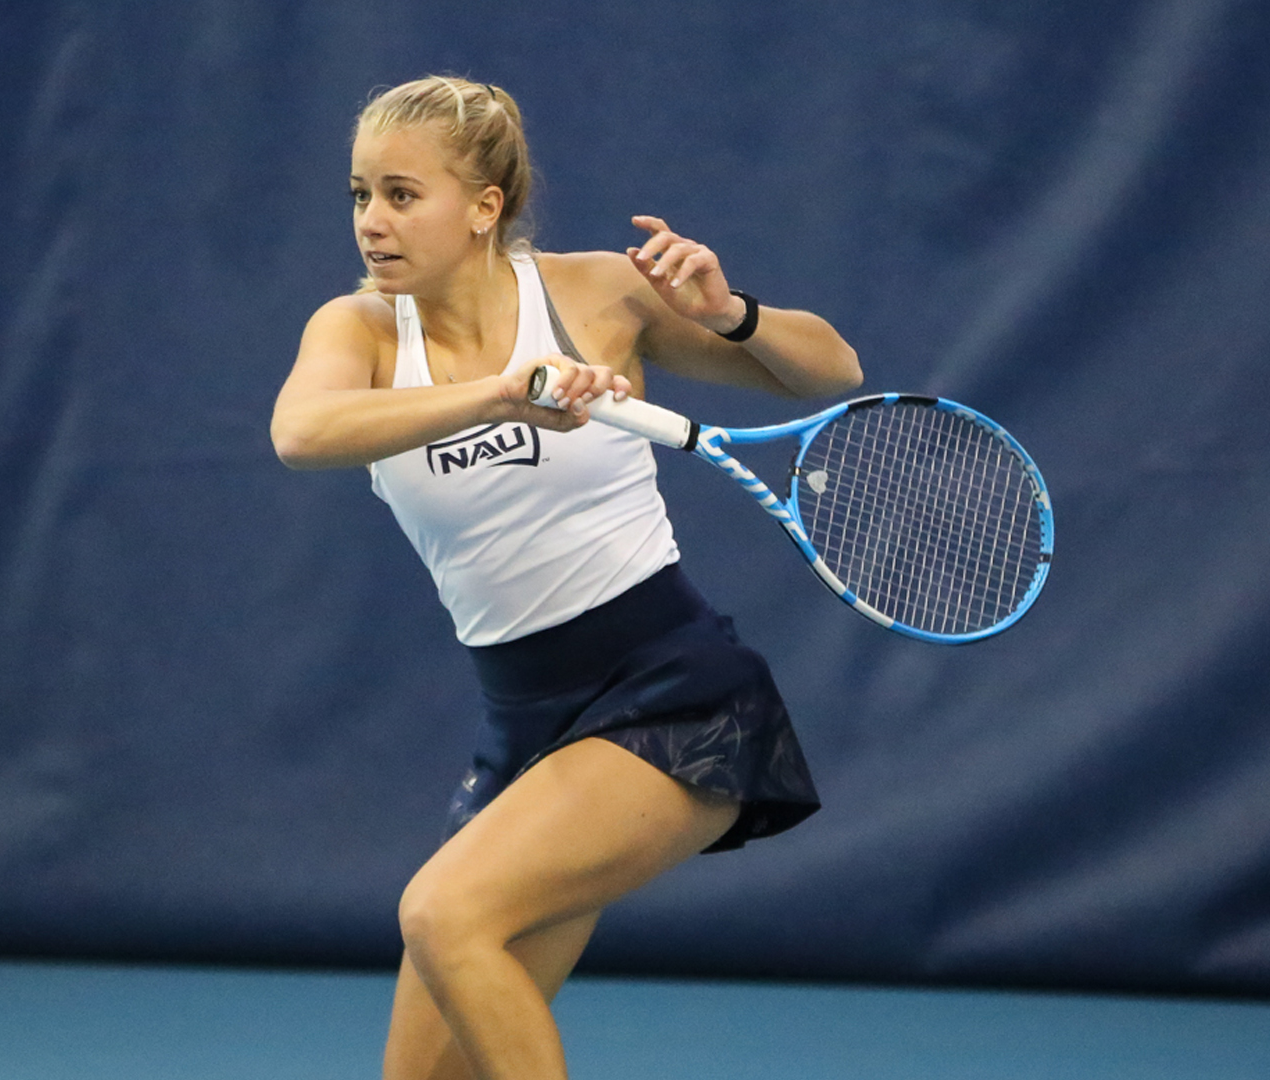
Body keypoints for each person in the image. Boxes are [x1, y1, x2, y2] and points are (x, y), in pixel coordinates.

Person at [270, 75, 862, 1080]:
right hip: (524, 730)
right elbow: (303, 432)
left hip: (669, 699)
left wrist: (729, 314)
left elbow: (832, 373)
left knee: (443, 914)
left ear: (485, 207)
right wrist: (498, 394)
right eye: (361, 195)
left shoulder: (596, 293)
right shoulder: (360, 330)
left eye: (403, 195)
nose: (373, 222)